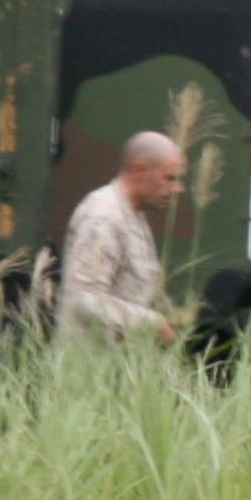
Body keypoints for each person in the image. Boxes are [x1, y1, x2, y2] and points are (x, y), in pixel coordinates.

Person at [60, 131, 186, 346]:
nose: (178, 189)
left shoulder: (133, 215)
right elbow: (82, 298)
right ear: (140, 171)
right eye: (169, 178)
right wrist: (151, 323)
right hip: (89, 368)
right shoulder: (105, 216)